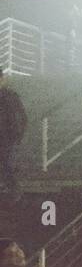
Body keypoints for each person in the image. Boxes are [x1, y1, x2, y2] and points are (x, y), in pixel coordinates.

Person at [0, 69, 28, 198]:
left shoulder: (11, 96)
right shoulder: (11, 95)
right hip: (9, 136)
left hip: (8, 136)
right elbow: (22, 116)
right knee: (7, 163)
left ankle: (13, 189)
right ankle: (12, 189)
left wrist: (19, 134)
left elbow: (22, 116)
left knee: (7, 163)